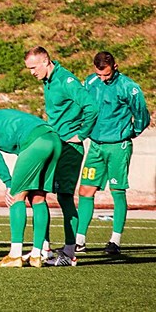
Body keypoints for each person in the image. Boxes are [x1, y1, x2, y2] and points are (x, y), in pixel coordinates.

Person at [25, 46, 97, 266]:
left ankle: (70, 251)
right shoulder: (48, 80)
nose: (31, 73)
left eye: (34, 67)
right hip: (54, 144)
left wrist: (81, 134)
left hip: (69, 148)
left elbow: (91, 106)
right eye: (28, 69)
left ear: (46, 62)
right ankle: (43, 247)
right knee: (39, 193)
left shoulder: (66, 81)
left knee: (65, 196)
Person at [0, 109, 62, 268]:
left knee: (16, 196)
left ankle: (15, 255)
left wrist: (9, 183)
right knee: (38, 198)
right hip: (54, 139)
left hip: (35, 142)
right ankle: (38, 254)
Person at [76, 51, 149, 255]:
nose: (103, 79)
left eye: (106, 75)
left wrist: (131, 132)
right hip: (96, 147)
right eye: (100, 75)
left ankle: (115, 240)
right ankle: (79, 240)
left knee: (117, 191)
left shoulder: (129, 88)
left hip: (118, 146)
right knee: (85, 191)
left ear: (115, 68)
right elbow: (82, 106)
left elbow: (142, 114)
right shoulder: (91, 82)